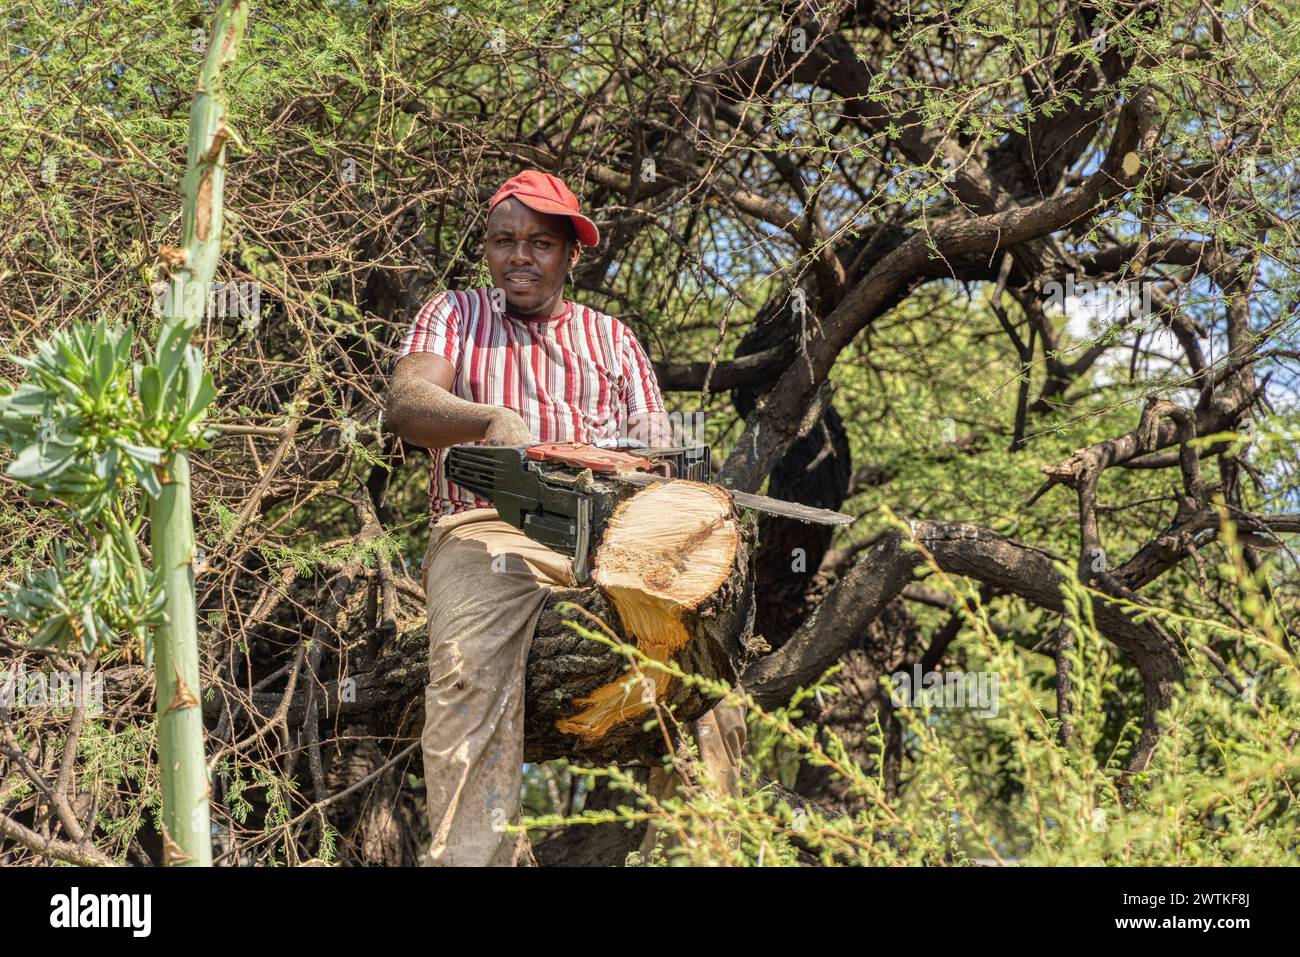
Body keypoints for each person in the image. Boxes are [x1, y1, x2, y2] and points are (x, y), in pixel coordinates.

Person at [384, 169, 747, 866]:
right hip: (486, 530)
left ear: (570, 254)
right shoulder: (454, 315)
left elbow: (656, 454)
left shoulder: (611, 339)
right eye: (504, 241)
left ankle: (699, 852)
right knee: (467, 670)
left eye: (539, 243)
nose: (520, 256)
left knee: (706, 676)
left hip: (613, 540)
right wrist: (486, 417)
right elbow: (404, 402)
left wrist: (637, 469)